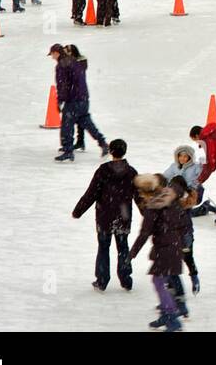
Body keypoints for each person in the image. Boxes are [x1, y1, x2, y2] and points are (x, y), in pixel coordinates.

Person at [72, 138, 138, 292]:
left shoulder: (103, 171)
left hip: (105, 216)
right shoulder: (131, 172)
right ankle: (126, 279)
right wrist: (149, 215)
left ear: (111, 151)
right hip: (124, 216)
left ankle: (102, 280)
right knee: (123, 247)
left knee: (103, 247)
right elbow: (139, 196)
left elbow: (91, 193)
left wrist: (78, 210)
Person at [129, 174, 187, 331]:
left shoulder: (153, 208)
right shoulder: (171, 200)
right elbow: (183, 222)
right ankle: (167, 312)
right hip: (174, 246)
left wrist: (131, 253)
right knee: (163, 280)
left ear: (147, 192)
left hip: (165, 248)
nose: (140, 196)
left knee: (158, 281)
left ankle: (171, 317)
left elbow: (144, 233)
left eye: (141, 192)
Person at [51, 44, 107, 161]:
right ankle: (103, 143)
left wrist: (60, 100)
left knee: (67, 126)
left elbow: (63, 85)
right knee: (86, 122)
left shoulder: (62, 65)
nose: (52, 57)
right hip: (83, 97)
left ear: (56, 53)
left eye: (52, 54)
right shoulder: (74, 61)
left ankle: (68, 151)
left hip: (73, 99)